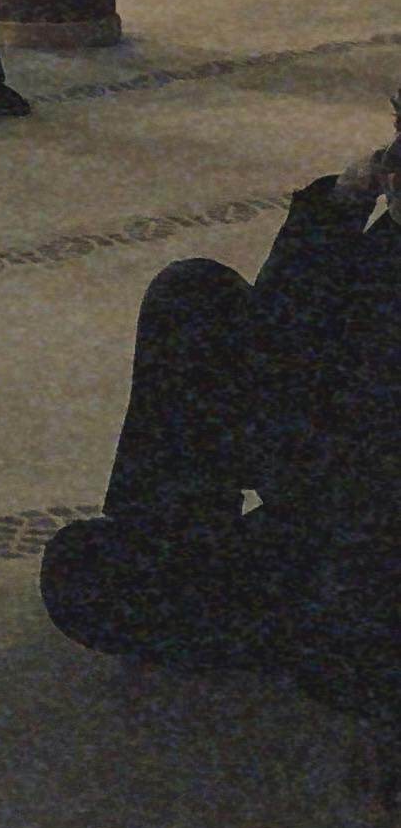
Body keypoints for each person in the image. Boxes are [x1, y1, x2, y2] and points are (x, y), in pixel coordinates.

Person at [42, 91, 401, 759]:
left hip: (356, 589)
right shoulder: (388, 244)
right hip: (325, 522)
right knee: (195, 292)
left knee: (85, 578)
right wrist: (334, 212)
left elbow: (312, 443)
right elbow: (280, 340)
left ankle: (189, 573)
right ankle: (165, 545)